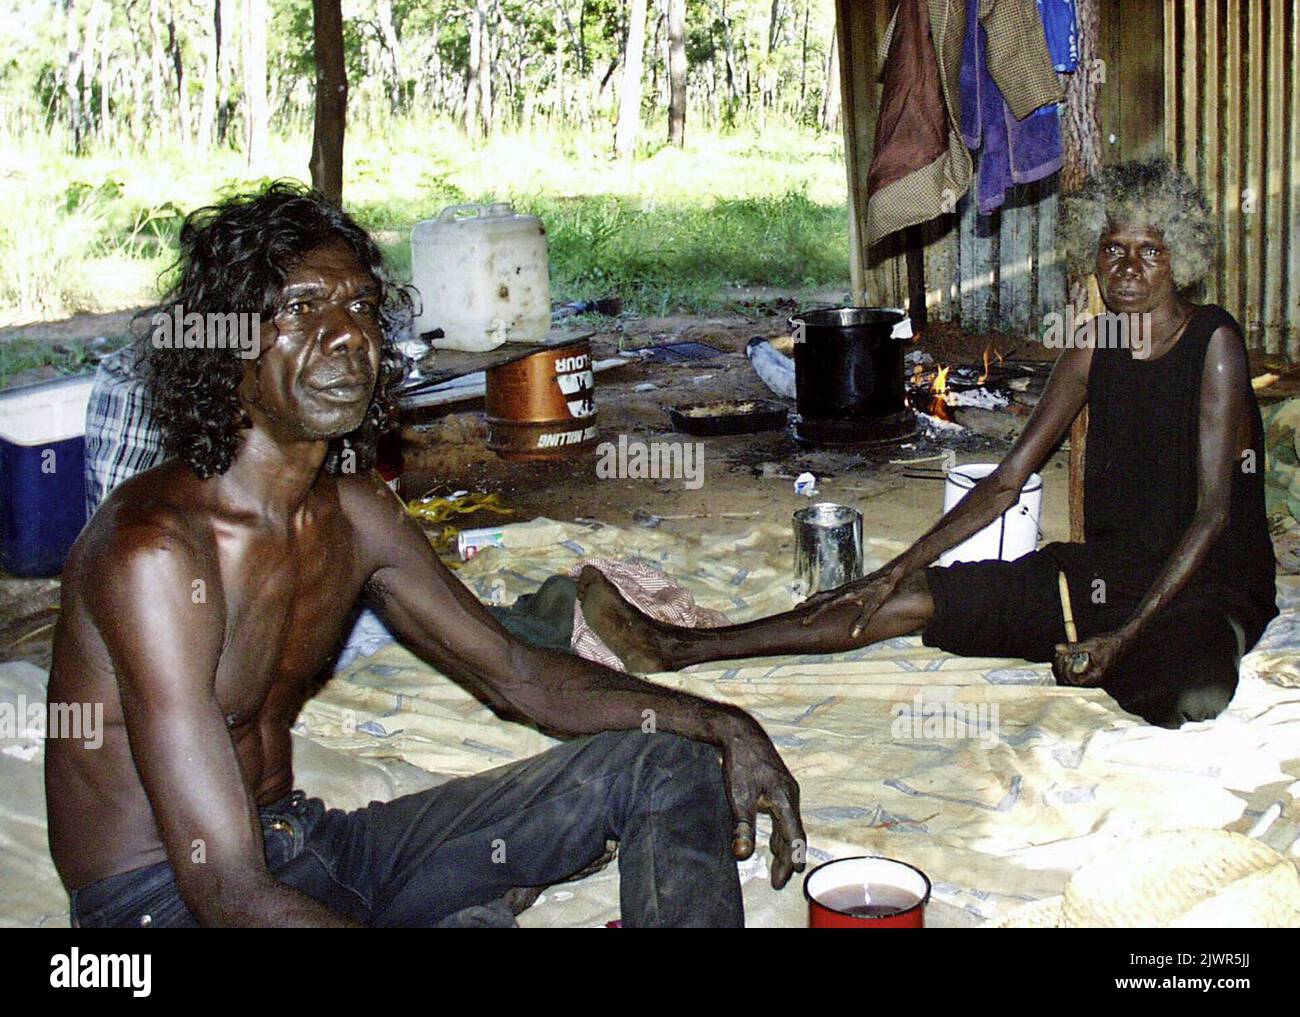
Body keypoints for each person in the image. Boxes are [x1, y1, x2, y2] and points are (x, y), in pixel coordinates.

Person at [45, 182, 804, 929]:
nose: (348, 334)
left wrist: (720, 719)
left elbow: (517, 673)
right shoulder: (154, 554)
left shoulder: (354, 512)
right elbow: (228, 894)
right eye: (302, 308)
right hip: (171, 904)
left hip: (308, 850)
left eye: (361, 307)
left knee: (664, 758)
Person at [578, 159, 1278, 729]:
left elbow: (1214, 513)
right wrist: (894, 567)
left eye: (1149, 252)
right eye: (1112, 250)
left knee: (1195, 692)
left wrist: (1120, 639)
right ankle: (676, 646)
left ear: (1178, 259)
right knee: (913, 599)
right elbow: (1006, 480)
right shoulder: (1095, 344)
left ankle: (1115, 647)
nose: (1127, 269)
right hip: (1108, 573)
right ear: (1092, 254)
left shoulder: (1213, 343)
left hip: (1204, 578)